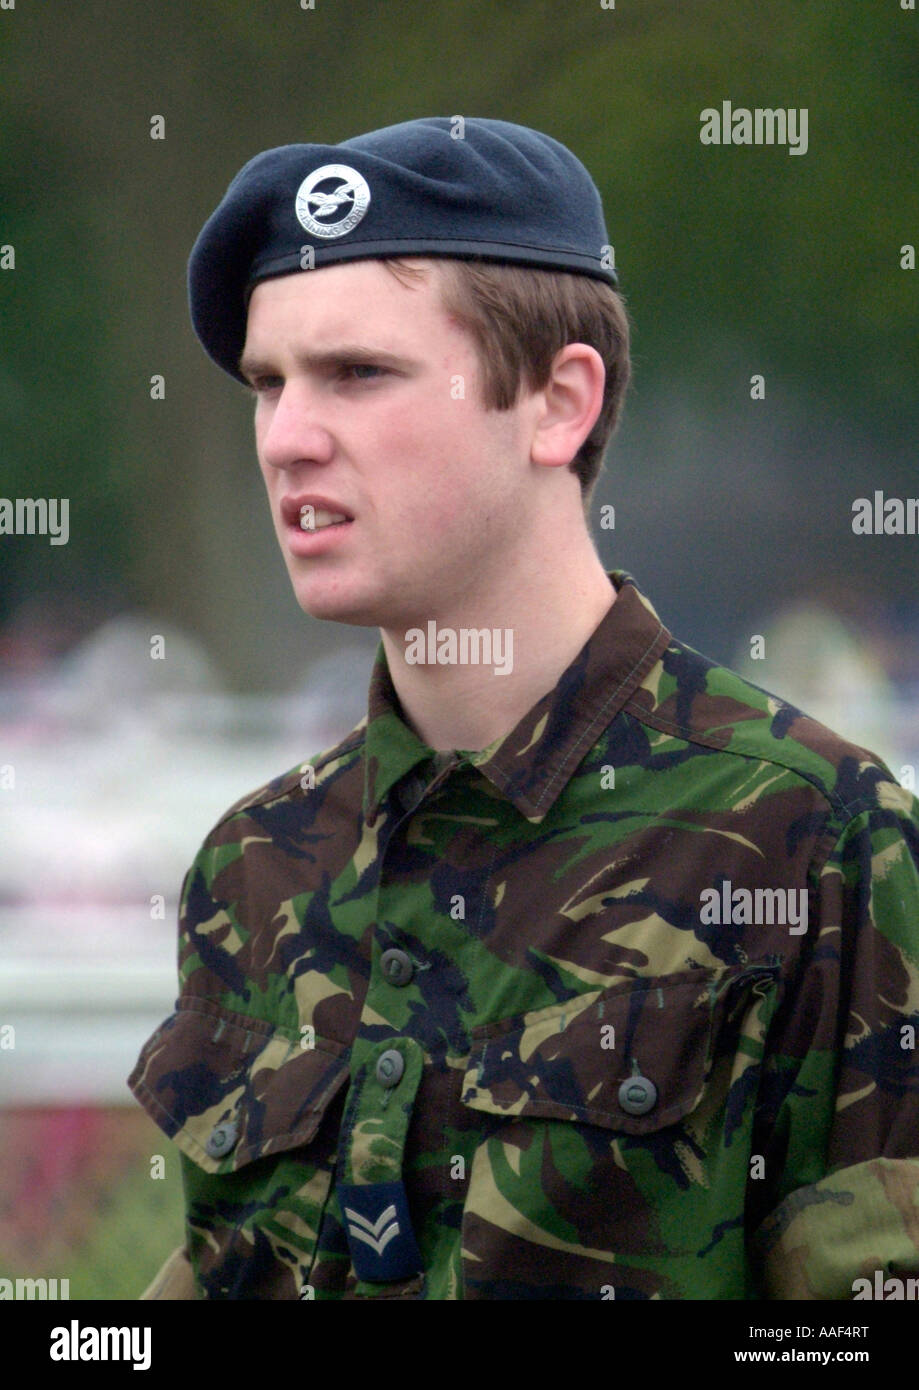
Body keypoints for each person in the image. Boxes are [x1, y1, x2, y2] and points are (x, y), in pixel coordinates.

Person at [129, 116, 919, 1301]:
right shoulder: (257, 865)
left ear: (558, 403)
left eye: (358, 373)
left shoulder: (810, 838)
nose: (288, 439)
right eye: (269, 384)